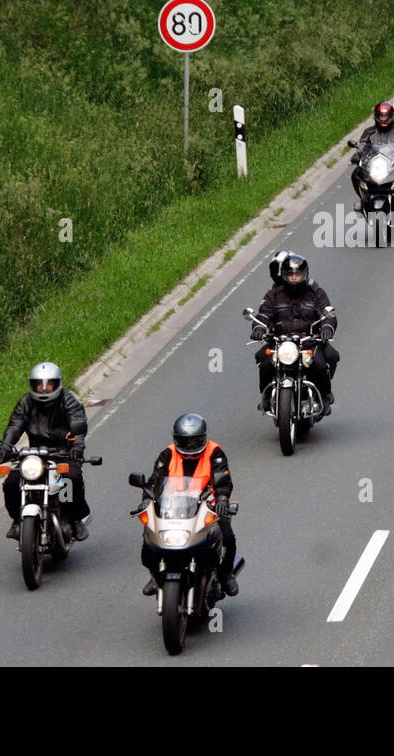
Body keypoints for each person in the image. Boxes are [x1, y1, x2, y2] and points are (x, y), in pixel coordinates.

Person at [138, 413, 238, 596]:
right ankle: (155, 575)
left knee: (228, 536)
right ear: (176, 439)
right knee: (149, 540)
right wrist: (146, 499)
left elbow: (223, 481)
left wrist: (223, 499)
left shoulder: (215, 452)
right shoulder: (167, 454)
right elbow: (154, 481)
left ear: (204, 438)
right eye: (186, 441)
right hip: (173, 508)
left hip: (207, 508)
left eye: (196, 440)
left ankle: (225, 574)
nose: (191, 446)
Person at [0, 361, 91, 541]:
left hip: (63, 453)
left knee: (69, 480)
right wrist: (5, 447)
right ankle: (17, 520)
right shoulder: (26, 402)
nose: (44, 389)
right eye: (40, 385)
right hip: (34, 455)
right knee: (12, 482)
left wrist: (77, 446)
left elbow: (78, 424)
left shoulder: (69, 401)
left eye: (48, 385)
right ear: (33, 385)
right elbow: (15, 425)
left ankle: (75, 519)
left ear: (57, 384)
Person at [250, 252, 338, 409]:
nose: (294, 278)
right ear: (284, 275)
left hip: (309, 341)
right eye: (291, 275)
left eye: (298, 274)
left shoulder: (315, 292)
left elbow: (328, 313)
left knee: (320, 364)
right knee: (264, 364)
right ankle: (266, 397)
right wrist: (259, 328)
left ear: (304, 274)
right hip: (280, 342)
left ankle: (324, 395)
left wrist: (326, 328)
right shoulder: (274, 294)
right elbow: (263, 314)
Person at [354, 102, 394, 211]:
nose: (383, 119)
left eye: (386, 116)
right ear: (376, 116)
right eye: (381, 116)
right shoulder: (369, 131)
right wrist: (357, 155)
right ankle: (363, 199)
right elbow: (362, 144)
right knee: (355, 174)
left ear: (390, 116)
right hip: (374, 166)